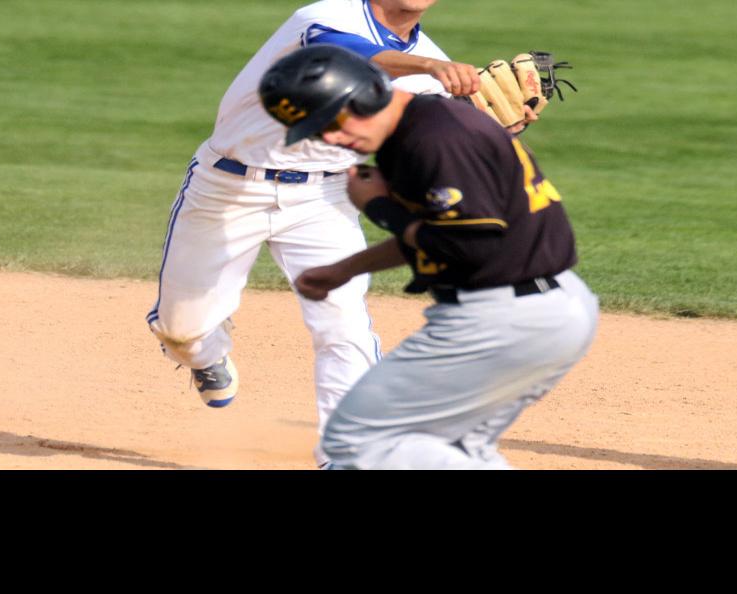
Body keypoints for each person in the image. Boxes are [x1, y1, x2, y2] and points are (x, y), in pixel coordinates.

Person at [145, 0, 492, 468]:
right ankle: (205, 353)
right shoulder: (329, 15)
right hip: (227, 188)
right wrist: (432, 67)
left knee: (343, 326)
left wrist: (496, 130)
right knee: (179, 330)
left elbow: (436, 142)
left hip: (323, 201)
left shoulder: (432, 66)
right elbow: (345, 55)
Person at [256, 44, 598, 469]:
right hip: (547, 307)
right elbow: (446, 232)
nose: (331, 138)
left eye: (332, 120)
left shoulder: (434, 140)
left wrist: (379, 208)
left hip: (499, 320)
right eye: (317, 130)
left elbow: (470, 246)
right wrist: (343, 270)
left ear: (365, 94)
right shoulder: (423, 129)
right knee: (456, 450)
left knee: (355, 441)